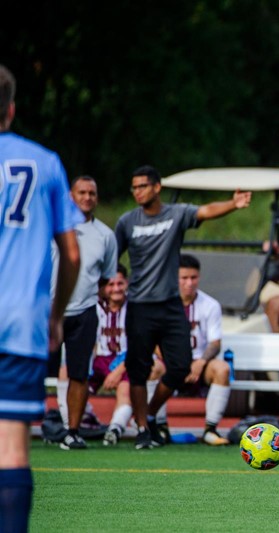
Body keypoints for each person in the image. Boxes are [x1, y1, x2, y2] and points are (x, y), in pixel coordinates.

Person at [115, 165, 251, 450]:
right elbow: (112, 258)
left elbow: (205, 210)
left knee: (178, 368)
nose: (137, 192)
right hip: (139, 305)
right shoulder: (127, 222)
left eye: (142, 186)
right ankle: (142, 430)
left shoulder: (175, 214)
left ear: (156, 187)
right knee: (138, 372)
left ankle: (150, 414)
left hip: (169, 305)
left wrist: (233, 204)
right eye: (134, 187)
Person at [0, 64, 82, 531]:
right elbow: (70, 251)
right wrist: (56, 316)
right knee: (11, 447)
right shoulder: (44, 161)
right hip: (19, 321)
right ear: (11, 109)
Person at [50, 175, 118, 450]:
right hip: (49, 311)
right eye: (82, 192)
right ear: (71, 196)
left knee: (80, 374)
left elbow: (105, 278)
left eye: (92, 192)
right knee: (27, 368)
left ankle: (72, 431)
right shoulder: (51, 228)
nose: (87, 197)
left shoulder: (105, 235)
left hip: (85, 312)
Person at [92, 265, 167, 446]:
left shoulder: (136, 307)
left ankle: (117, 427)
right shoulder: (93, 306)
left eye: (120, 283)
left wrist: (118, 370)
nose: (116, 288)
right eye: (111, 284)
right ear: (102, 286)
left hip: (128, 358)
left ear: (127, 283)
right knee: (69, 373)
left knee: (130, 383)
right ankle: (75, 425)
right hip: (101, 359)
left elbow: (145, 343)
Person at [176, 253, 232, 445]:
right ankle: (157, 427)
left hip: (200, 363)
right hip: (171, 362)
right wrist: (177, 363)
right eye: (184, 278)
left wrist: (200, 362)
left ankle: (211, 428)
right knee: (152, 368)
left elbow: (215, 342)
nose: (189, 283)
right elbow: (156, 341)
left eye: (193, 278)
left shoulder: (210, 305)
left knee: (222, 369)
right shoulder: (165, 303)